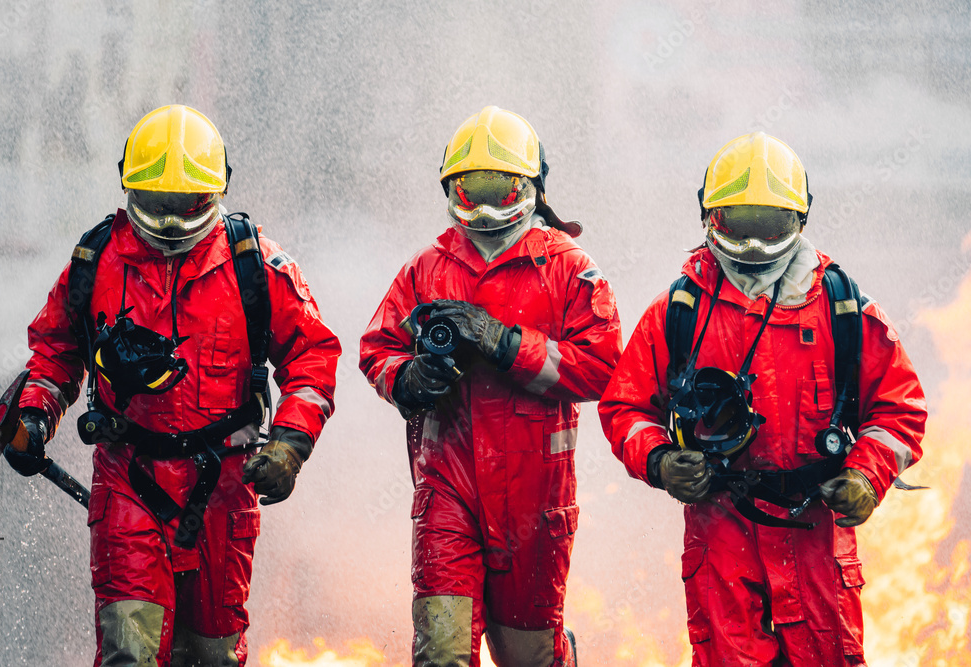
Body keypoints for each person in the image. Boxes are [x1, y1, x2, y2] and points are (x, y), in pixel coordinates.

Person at [4, 104, 341, 667]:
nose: (171, 221)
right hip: (128, 480)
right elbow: (56, 352)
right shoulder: (94, 262)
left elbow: (312, 354)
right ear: (129, 187)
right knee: (129, 651)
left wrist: (290, 444)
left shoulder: (253, 264)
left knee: (214, 653)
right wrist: (34, 414)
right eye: (158, 205)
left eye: (187, 206)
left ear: (216, 191)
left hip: (225, 488)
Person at [598, 132, 927, 666]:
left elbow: (899, 407)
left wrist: (868, 475)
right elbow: (626, 407)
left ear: (800, 220)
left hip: (817, 532)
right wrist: (660, 461)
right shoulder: (679, 310)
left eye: (768, 229)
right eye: (737, 228)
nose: (752, 248)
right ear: (709, 218)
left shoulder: (842, 309)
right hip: (721, 529)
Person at [359, 106, 622, 667]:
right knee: (441, 651)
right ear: (448, 187)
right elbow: (377, 348)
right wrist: (410, 377)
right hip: (448, 487)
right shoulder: (426, 269)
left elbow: (599, 367)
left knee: (525, 654)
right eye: (468, 190)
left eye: (499, 192)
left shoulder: (569, 269)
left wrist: (505, 344)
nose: (481, 207)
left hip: (536, 496)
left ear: (530, 187)